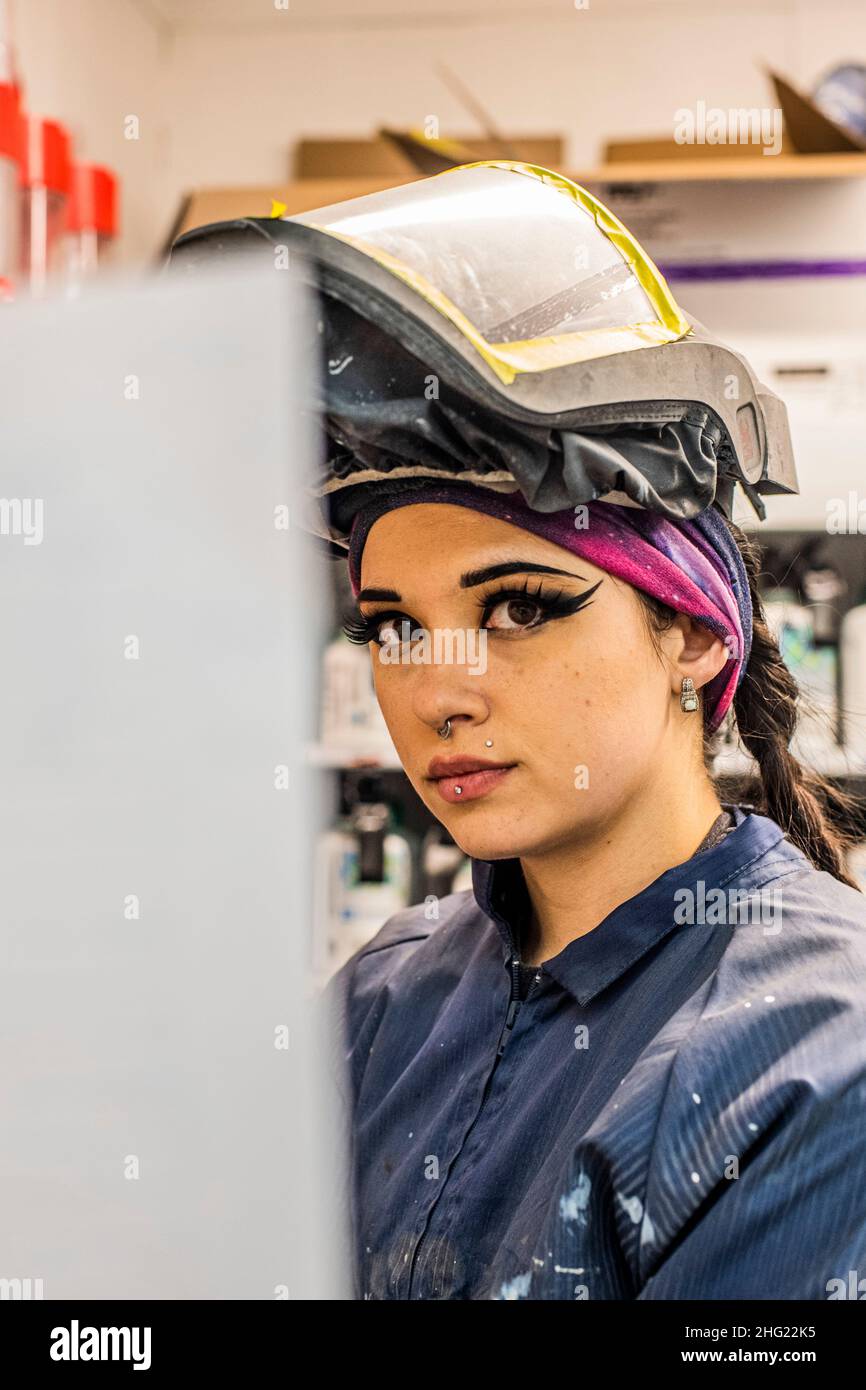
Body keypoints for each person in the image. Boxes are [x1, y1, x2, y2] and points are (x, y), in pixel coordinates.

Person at [169, 161, 866, 1300]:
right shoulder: (386, 994)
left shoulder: (810, 1054)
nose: (438, 690)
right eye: (393, 625)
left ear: (692, 636)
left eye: (517, 608)